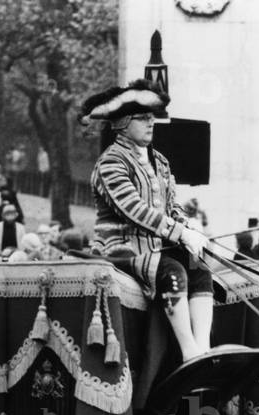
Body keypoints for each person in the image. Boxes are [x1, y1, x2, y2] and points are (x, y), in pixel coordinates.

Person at [81, 79, 212, 361]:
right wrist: (178, 233)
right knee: (173, 271)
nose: (151, 123)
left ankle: (203, 348)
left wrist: (189, 229)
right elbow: (133, 209)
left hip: (154, 247)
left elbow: (171, 205)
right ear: (122, 124)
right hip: (119, 250)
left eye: (152, 117)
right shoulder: (111, 162)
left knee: (199, 266)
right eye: (142, 118)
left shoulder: (161, 162)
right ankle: (189, 352)